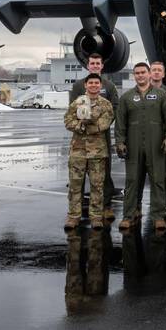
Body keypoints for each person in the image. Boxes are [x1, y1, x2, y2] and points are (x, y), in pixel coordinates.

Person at [116, 62, 166, 231]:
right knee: (132, 180)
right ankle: (129, 215)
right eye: (137, 73)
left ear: (149, 74)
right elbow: (120, 122)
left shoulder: (161, 95)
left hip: (156, 145)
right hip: (133, 146)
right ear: (134, 75)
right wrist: (119, 142)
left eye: (143, 72)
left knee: (157, 180)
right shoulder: (126, 97)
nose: (140, 75)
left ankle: (158, 216)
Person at [68, 52, 120, 216]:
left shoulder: (109, 86)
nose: (95, 66)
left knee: (102, 173)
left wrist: (100, 126)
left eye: (98, 63)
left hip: (101, 137)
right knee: (79, 174)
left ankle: (105, 206)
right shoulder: (78, 86)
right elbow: (72, 108)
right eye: (93, 63)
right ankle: (79, 206)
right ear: (88, 65)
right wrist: (82, 125)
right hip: (80, 138)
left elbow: (115, 108)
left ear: (102, 66)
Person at [62, 74, 116, 231]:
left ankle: (96, 216)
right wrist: (80, 126)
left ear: (100, 86)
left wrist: (85, 126)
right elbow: (67, 120)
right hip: (78, 151)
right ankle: (73, 216)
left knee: (97, 186)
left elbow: (104, 123)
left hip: (97, 152)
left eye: (96, 83)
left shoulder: (105, 104)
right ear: (85, 85)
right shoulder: (78, 102)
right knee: (75, 185)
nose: (93, 85)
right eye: (90, 83)